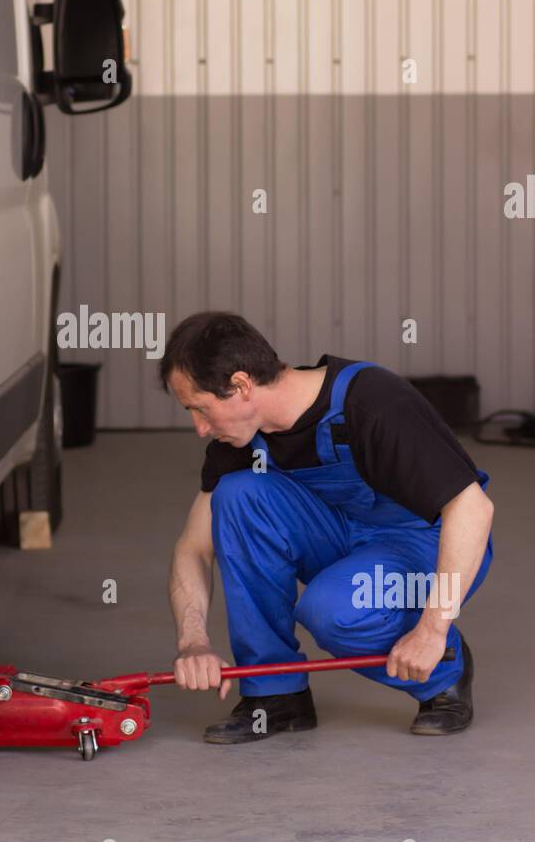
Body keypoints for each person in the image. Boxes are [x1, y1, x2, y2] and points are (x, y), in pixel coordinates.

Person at [161, 313, 494, 742]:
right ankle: (275, 694)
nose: (200, 428)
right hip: (349, 538)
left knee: (332, 611)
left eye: (200, 409)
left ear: (241, 385)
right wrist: (194, 643)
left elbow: (472, 509)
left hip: (426, 542)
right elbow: (192, 548)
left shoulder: (372, 402)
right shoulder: (242, 441)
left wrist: (432, 627)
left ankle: (445, 669)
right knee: (238, 494)